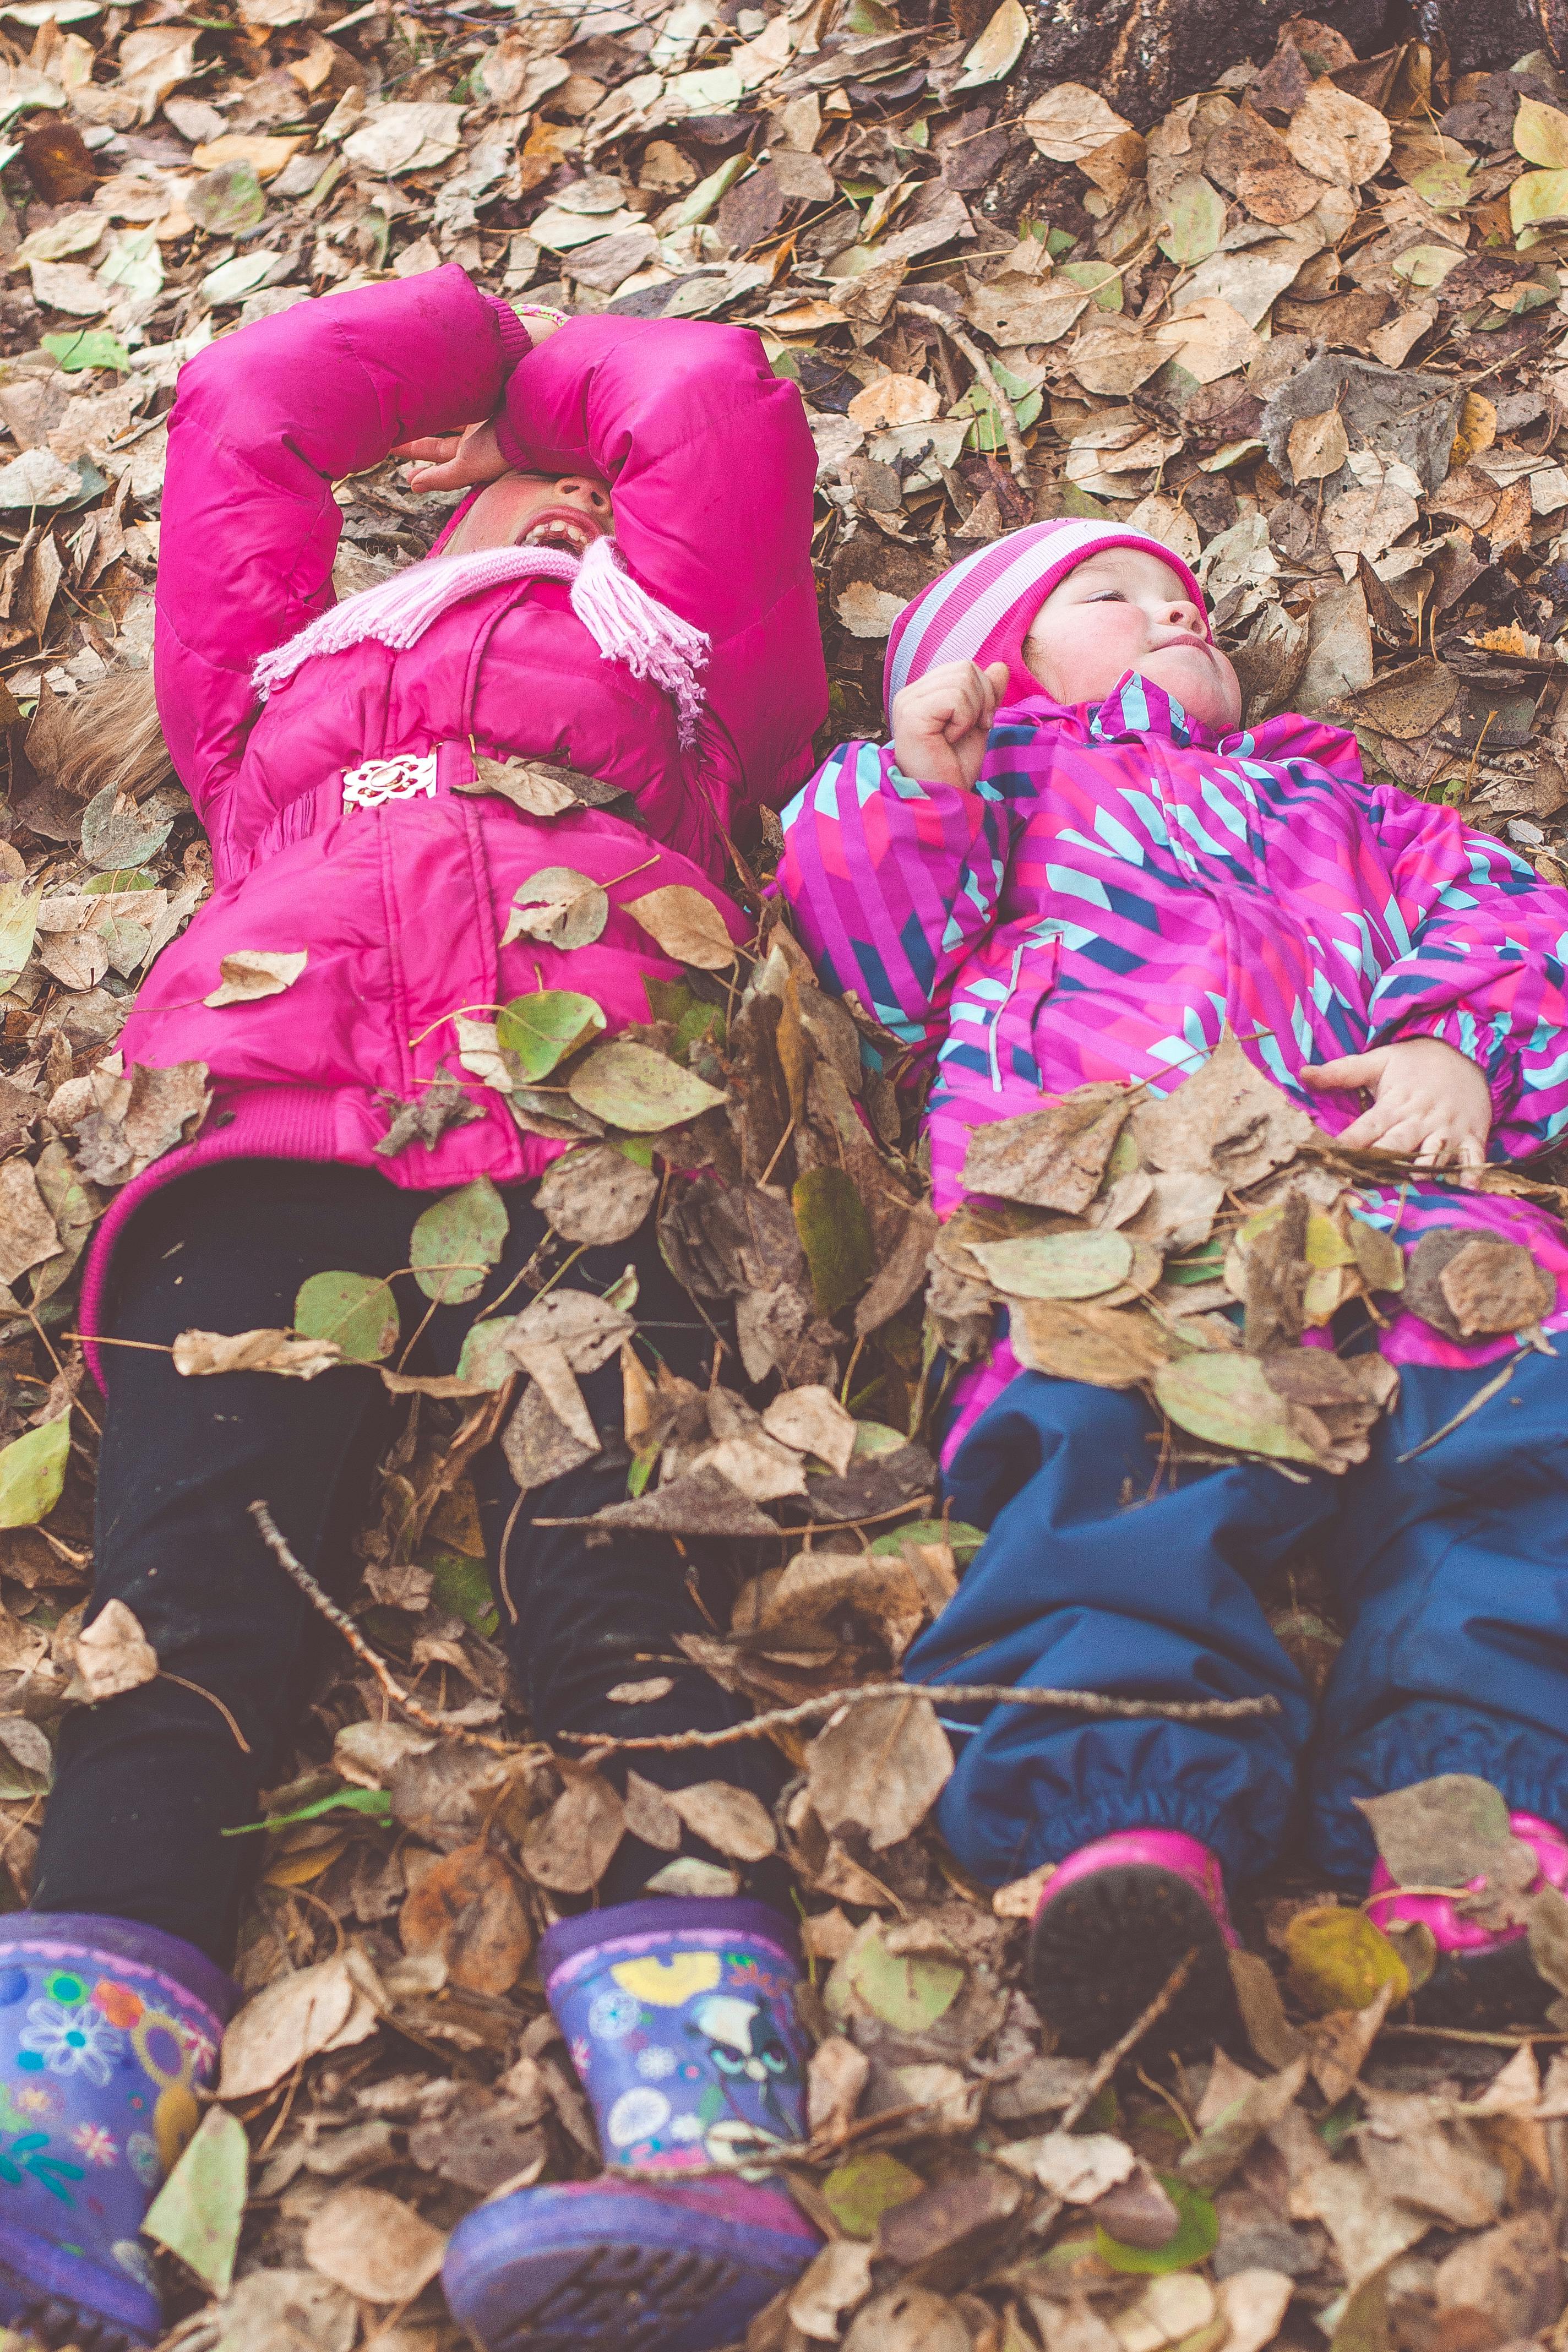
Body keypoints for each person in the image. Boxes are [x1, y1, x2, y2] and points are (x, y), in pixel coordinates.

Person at [0, 270, 826, 2352]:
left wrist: (538, 413)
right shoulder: (266, 701)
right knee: (190, 1604)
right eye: (508, 493)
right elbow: (254, 401)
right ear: (418, 513)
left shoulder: (690, 689)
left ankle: (707, 2163)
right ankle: (60, 2159)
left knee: (615, 1584)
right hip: (266, 1128)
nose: (557, 508)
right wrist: (459, 378)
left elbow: (709, 399)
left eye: (586, 494)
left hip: (586, 1114)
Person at [777, 516, 1568, 2054]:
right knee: (1108, 1464)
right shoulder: (998, 790)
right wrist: (919, 779)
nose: (1168, 611)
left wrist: (1457, 1051)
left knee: (1512, 1463)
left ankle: (1478, 1837)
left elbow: (1514, 921)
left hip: (1397, 1188)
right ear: (991, 663)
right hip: (1123, 1204)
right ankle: (1127, 1820)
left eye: (1183, 595)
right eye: (1109, 595)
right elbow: (874, 975)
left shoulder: (1347, 802)